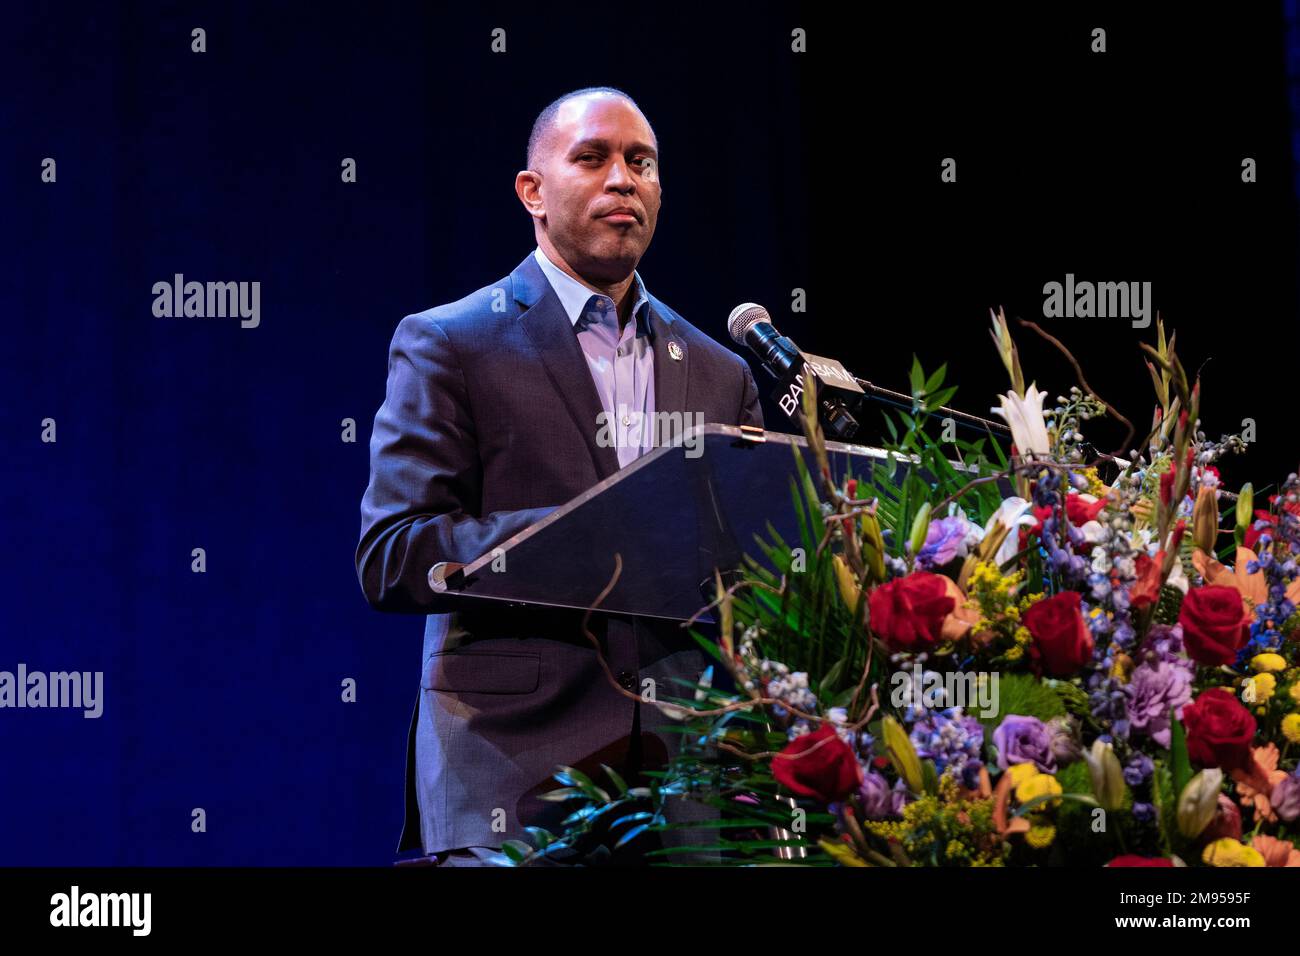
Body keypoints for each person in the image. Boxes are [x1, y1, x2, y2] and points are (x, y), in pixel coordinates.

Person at [356, 86, 763, 866]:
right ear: (532, 191)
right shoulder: (451, 342)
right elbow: (394, 554)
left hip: (687, 791)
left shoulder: (721, 372)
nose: (623, 180)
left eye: (641, 163)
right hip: (515, 777)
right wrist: (596, 532)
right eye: (594, 158)